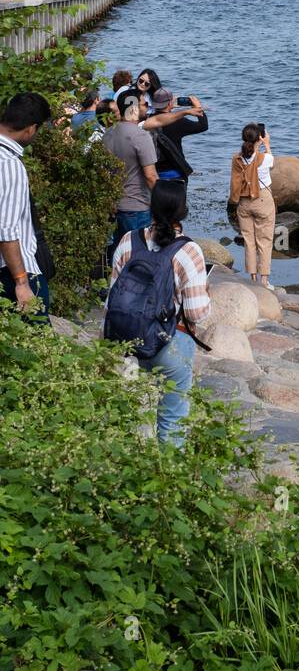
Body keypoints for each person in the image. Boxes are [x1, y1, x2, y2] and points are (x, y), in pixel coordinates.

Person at [106, 181, 212, 447]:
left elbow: (112, 296)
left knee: (130, 414)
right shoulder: (188, 251)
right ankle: (168, 477)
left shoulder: (128, 241)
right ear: (183, 211)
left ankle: (132, 462)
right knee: (173, 416)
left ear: (150, 208)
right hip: (168, 345)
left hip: (125, 340)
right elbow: (196, 313)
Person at [0, 92, 53, 320]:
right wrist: (21, 281)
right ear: (31, 128)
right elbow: (6, 230)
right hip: (14, 272)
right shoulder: (10, 165)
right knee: (40, 345)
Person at [102, 90, 158, 256]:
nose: (147, 107)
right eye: (144, 104)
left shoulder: (108, 134)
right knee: (140, 257)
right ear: (133, 109)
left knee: (120, 256)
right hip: (138, 207)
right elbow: (150, 176)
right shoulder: (140, 136)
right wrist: (162, 203)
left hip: (115, 207)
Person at [229, 123, 276, 288]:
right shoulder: (265, 158)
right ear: (259, 139)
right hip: (262, 200)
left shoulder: (236, 159)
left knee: (249, 241)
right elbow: (272, 163)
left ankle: (253, 279)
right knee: (264, 240)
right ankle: (264, 281)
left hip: (243, 202)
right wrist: (267, 144)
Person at [140, 89, 208, 183]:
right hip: (175, 173)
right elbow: (203, 126)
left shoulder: (147, 121)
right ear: (170, 103)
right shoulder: (179, 121)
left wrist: (170, 107)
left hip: (154, 171)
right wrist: (198, 106)